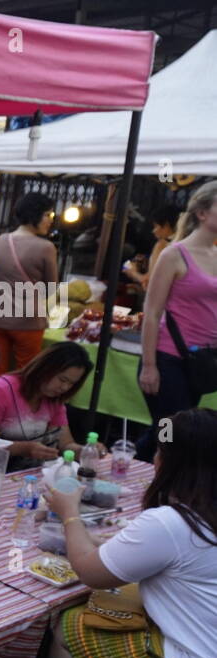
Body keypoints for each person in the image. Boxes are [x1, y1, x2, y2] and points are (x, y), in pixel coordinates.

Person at [15, 408, 217, 658]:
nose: (153, 459)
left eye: (159, 450)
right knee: (122, 605)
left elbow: (90, 572)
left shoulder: (172, 523)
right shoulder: (201, 514)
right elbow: (126, 559)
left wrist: (69, 513)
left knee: (71, 625)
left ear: (176, 461)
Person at [137, 181, 217, 461]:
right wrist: (149, 365)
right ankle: (154, 477)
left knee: (169, 426)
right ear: (202, 213)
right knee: (170, 428)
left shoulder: (215, 255)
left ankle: (137, 466)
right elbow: (152, 312)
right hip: (167, 357)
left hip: (200, 361)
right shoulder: (174, 254)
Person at [0, 341, 104, 470]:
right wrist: (22, 448)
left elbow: (65, 444)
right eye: (62, 379)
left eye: (72, 383)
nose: (65, 387)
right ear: (45, 368)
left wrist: (84, 451)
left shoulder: (54, 399)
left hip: (28, 474)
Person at [0, 191, 59, 374]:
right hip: (28, 321)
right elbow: (51, 288)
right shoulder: (46, 247)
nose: (50, 220)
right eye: (47, 215)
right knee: (25, 373)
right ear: (34, 214)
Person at [123, 205, 180, 292]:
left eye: (156, 226)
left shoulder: (162, 245)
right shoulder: (183, 246)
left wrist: (132, 272)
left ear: (166, 225)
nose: (154, 231)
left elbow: (150, 282)